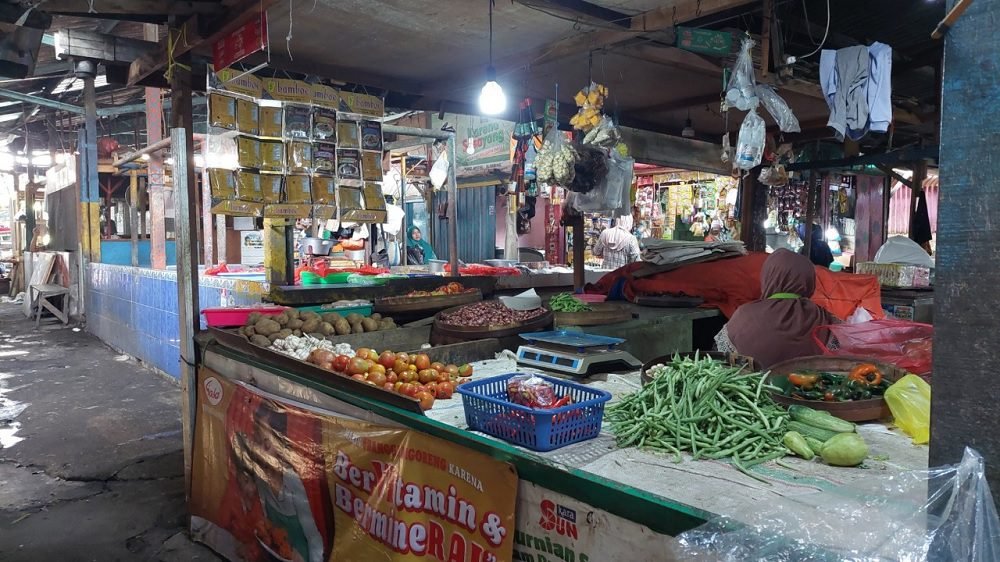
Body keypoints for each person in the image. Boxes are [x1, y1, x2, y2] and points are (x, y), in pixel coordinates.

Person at [715, 249, 838, 369]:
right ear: (809, 281)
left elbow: (724, 359)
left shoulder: (744, 315)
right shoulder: (822, 316)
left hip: (755, 383)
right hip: (810, 382)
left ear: (767, 277)